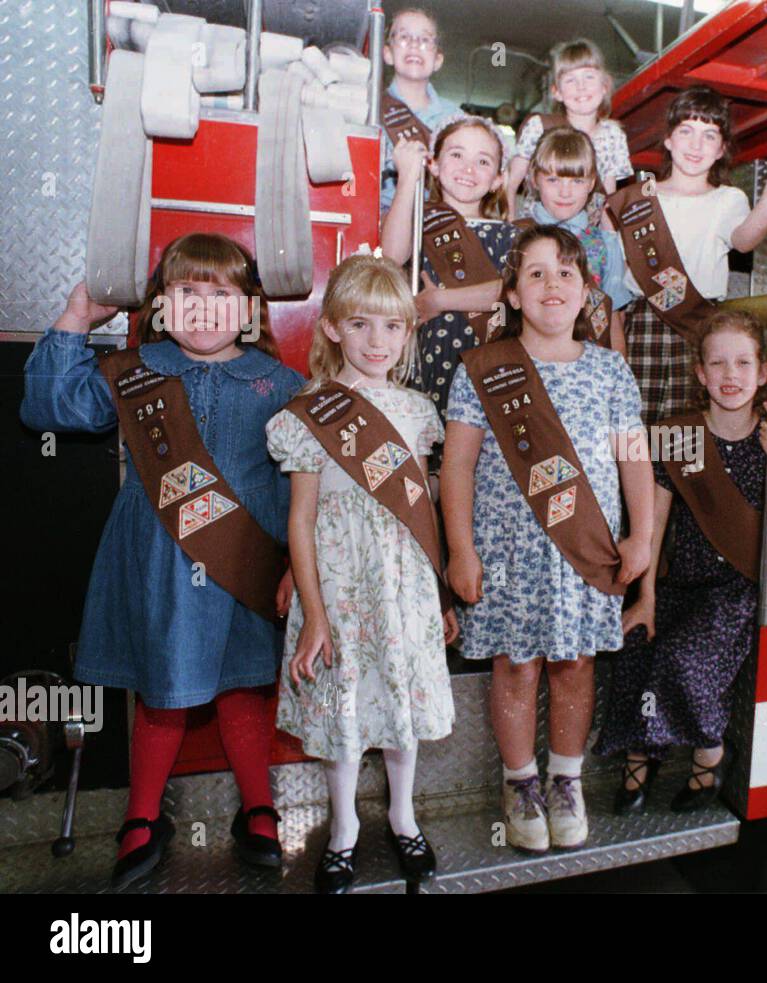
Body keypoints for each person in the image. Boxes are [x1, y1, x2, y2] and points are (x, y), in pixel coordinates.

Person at [20, 233, 303, 887]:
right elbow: (45, 408)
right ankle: (142, 815)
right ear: (160, 307)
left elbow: (302, 488)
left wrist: (293, 565)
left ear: (250, 309)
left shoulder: (281, 384)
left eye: (221, 293)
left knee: (245, 685)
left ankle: (257, 804)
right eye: (186, 292)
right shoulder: (133, 370)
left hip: (244, 567)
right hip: (155, 566)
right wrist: (74, 318)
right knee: (162, 693)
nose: (203, 307)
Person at [441, 225, 653, 852]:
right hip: (506, 554)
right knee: (514, 666)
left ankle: (566, 779)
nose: (550, 285)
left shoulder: (612, 372)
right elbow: (455, 467)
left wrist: (641, 535)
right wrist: (460, 550)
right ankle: (520, 783)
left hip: (585, 553)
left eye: (564, 272)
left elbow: (634, 459)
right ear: (510, 292)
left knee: (575, 663)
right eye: (534, 273)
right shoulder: (481, 370)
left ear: (587, 291)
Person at [267, 254, 456, 893]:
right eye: (362, 325)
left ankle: (404, 818)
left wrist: (441, 588)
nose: (378, 342)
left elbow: (423, 506)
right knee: (341, 709)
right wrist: (314, 614)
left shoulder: (418, 412)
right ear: (331, 329)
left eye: (393, 327)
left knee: (401, 704)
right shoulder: (310, 412)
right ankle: (343, 829)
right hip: (340, 587)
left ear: (408, 333)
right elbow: (301, 521)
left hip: (403, 585)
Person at [595, 310, 767, 812]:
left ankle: (710, 758)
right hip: (677, 583)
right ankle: (641, 759)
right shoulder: (675, 433)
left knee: (683, 659)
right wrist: (646, 598)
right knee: (637, 647)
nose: (731, 375)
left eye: (743, 363)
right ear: (701, 374)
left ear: (763, 372)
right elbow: (654, 521)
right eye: (719, 364)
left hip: (734, 590)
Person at [607, 85, 767, 423]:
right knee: (632, 426)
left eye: (709, 135)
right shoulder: (635, 198)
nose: (696, 145)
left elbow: (745, 240)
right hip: (640, 326)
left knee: (689, 430)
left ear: (721, 149)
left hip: (698, 326)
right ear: (668, 139)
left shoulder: (728, 199)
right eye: (686, 131)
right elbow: (610, 272)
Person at [381, 114, 518, 434]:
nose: (468, 169)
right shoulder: (416, 221)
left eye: (483, 161)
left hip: (488, 367)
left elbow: (514, 291)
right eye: (456, 155)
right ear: (434, 164)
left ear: (499, 179)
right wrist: (407, 180)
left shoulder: (512, 235)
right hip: (423, 362)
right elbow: (390, 256)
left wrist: (441, 299)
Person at [517, 125, 633, 355]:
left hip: (588, 366)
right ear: (534, 179)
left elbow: (614, 318)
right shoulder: (515, 237)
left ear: (591, 183)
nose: (565, 192)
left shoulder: (605, 244)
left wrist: (620, 375)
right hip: (527, 365)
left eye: (577, 181)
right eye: (553, 180)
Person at [505, 38, 633, 217]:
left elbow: (608, 196)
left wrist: (608, 238)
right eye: (570, 80)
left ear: (604, 86)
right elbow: (510, 184)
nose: (581, 87)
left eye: (589, 76)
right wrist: (510, 225)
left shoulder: (613, 135)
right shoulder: (540, 127)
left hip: (587, 236)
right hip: (538, 230)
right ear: (557, 92)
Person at [378, 6, 461, 216]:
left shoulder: (456, 118)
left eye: (425, 40)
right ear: (388, 53)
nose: (415, 44)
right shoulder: (369, 111)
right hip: (384, 219)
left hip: (439, 223)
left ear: (438, 60)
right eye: (404, 37)